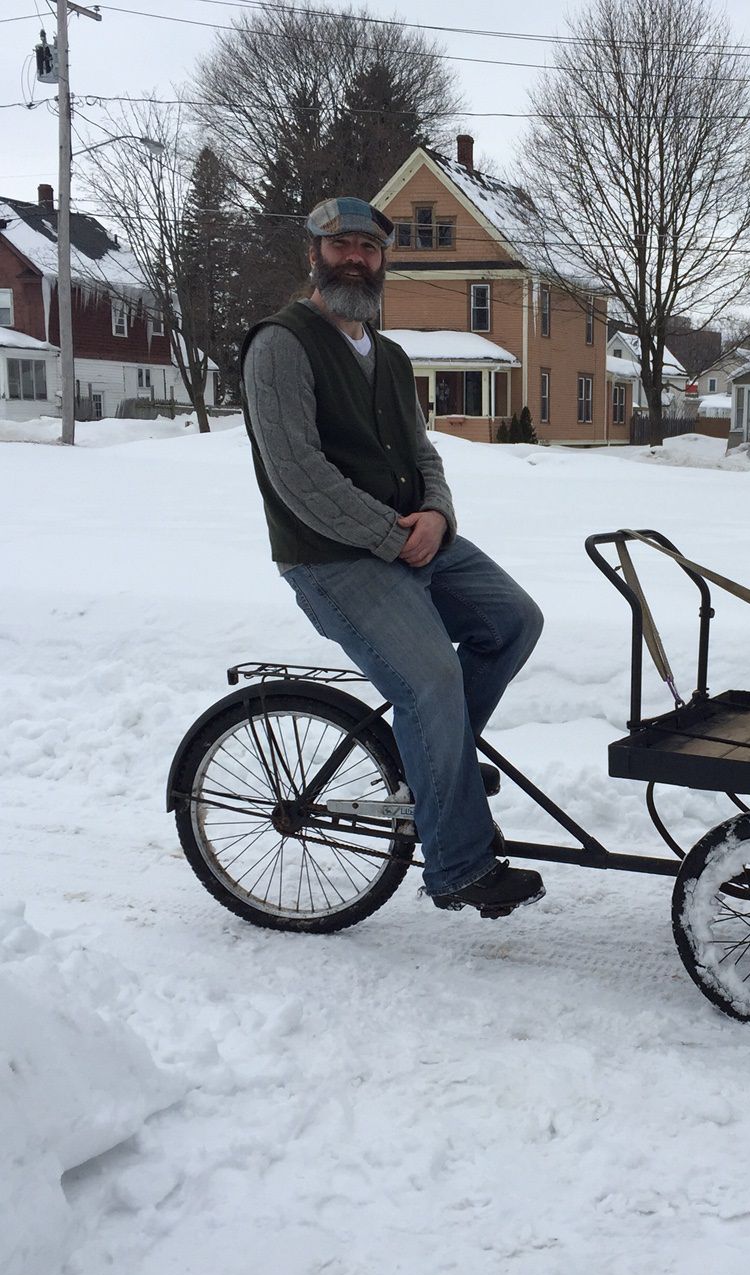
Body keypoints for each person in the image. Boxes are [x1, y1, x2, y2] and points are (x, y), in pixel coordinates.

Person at [240, 196, 545, 918]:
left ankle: (436, 776)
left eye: (369, 248)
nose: (356, 257)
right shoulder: (282, 344)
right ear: (313, 254)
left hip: (414, 540)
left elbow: (421, 451)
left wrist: (438, 513)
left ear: (384, 260)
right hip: (331, 559)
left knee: (513, 622)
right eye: (340, 245)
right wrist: (392, 536)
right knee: (432, 676)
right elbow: (298, 474)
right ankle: (459, 866)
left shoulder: (391, 352)